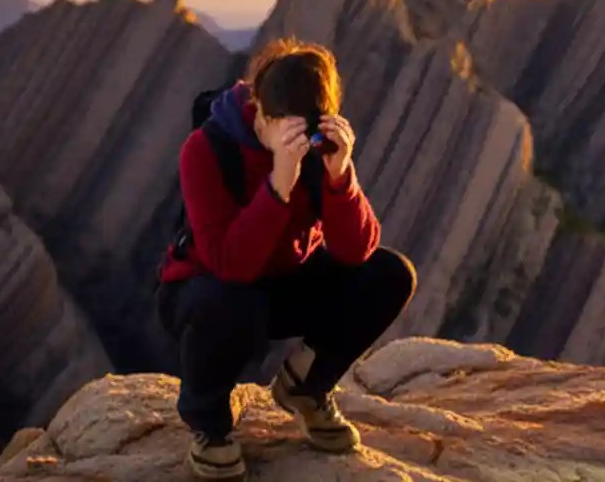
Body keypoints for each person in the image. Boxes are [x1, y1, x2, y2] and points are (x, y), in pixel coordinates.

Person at [156, 38, 417, 480]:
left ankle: (305, 388)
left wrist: (340, 177)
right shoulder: (206, 148)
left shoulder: (317, 148)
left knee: (389, 275)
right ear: (257, 106)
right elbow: (228, 263)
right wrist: (278, 183)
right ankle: (211, 427)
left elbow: (356, 250)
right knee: (231, 301)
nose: (289, 139)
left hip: (285, 278)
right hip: (208, 288)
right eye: (275, 124)